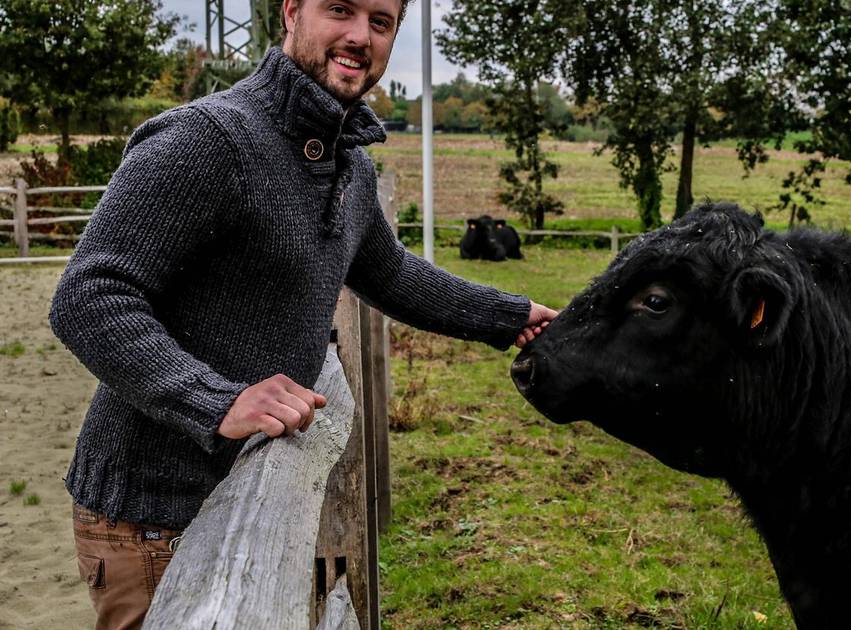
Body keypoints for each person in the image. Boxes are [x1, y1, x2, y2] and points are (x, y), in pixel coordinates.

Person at [48, 0, 556, 627]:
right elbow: (90, 294)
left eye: (380, 21)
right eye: (339, 9)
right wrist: (215, 400)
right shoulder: (209, 139)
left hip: (259, 497)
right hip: (157, 518)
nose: (358, 36)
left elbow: (391, 273)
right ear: (290, 12)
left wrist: (511, 315)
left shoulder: (348, 165)